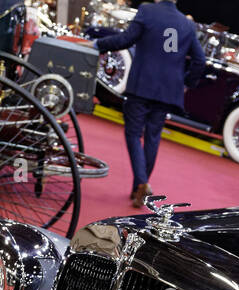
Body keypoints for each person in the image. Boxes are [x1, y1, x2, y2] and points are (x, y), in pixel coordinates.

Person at [88, 2, 207, 208]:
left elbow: (126, 39)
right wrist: (187, 83)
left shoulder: (147, 11)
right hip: (168, 91)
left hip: (142, 85)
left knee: (134, 134)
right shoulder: (187, 25)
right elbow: (200, 61)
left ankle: (141, 183)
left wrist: (98, 44)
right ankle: (138, 189)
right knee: (153, 137)